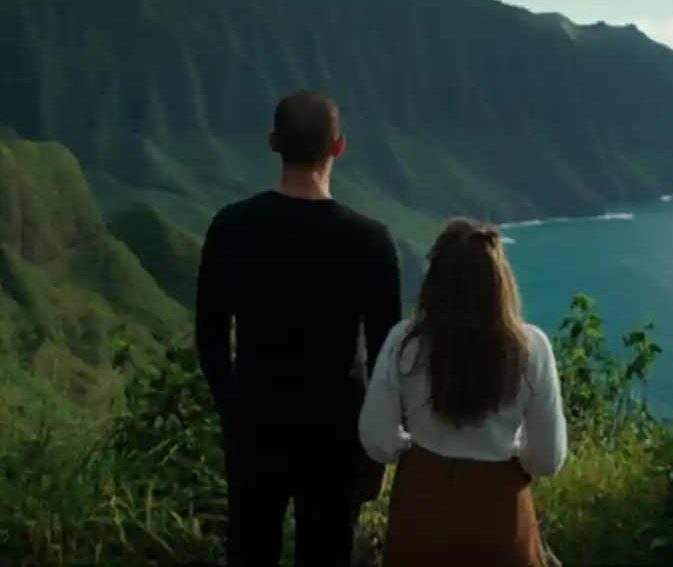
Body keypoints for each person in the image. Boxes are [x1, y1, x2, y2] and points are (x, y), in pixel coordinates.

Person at [196, 90, 402, 567]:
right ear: (339, 147)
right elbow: (386, 354)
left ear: (273, 143)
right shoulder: (370, 241)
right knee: (327, 553)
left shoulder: (230, 228)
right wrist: (376, 448)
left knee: (250, 551)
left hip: (256, 424)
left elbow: (209, 339)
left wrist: (234, 411)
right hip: (336, 435)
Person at [358, 219, 568, 567]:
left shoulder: (404, 342)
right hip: (500, 515)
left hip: (421, 508)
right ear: (501, 282)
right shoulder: (531, 348)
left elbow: (376, 437)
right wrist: (510, 454)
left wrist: (415, 452)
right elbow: (547, 459)